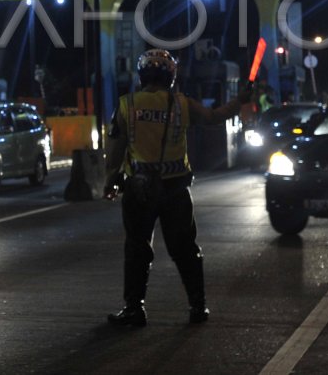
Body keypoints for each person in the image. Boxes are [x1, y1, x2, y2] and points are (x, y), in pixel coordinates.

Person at [103, 48, 251, 327]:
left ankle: (134, 309)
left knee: (137, 249)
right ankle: (198, 306)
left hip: (138, 189)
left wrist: (110, 182)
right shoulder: (182, 104)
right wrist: (239, 101)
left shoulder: (127, 104)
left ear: (142, 74)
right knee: (185, 249)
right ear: (171, 76)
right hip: (175, 190)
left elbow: (115, 150)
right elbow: (213, 117)